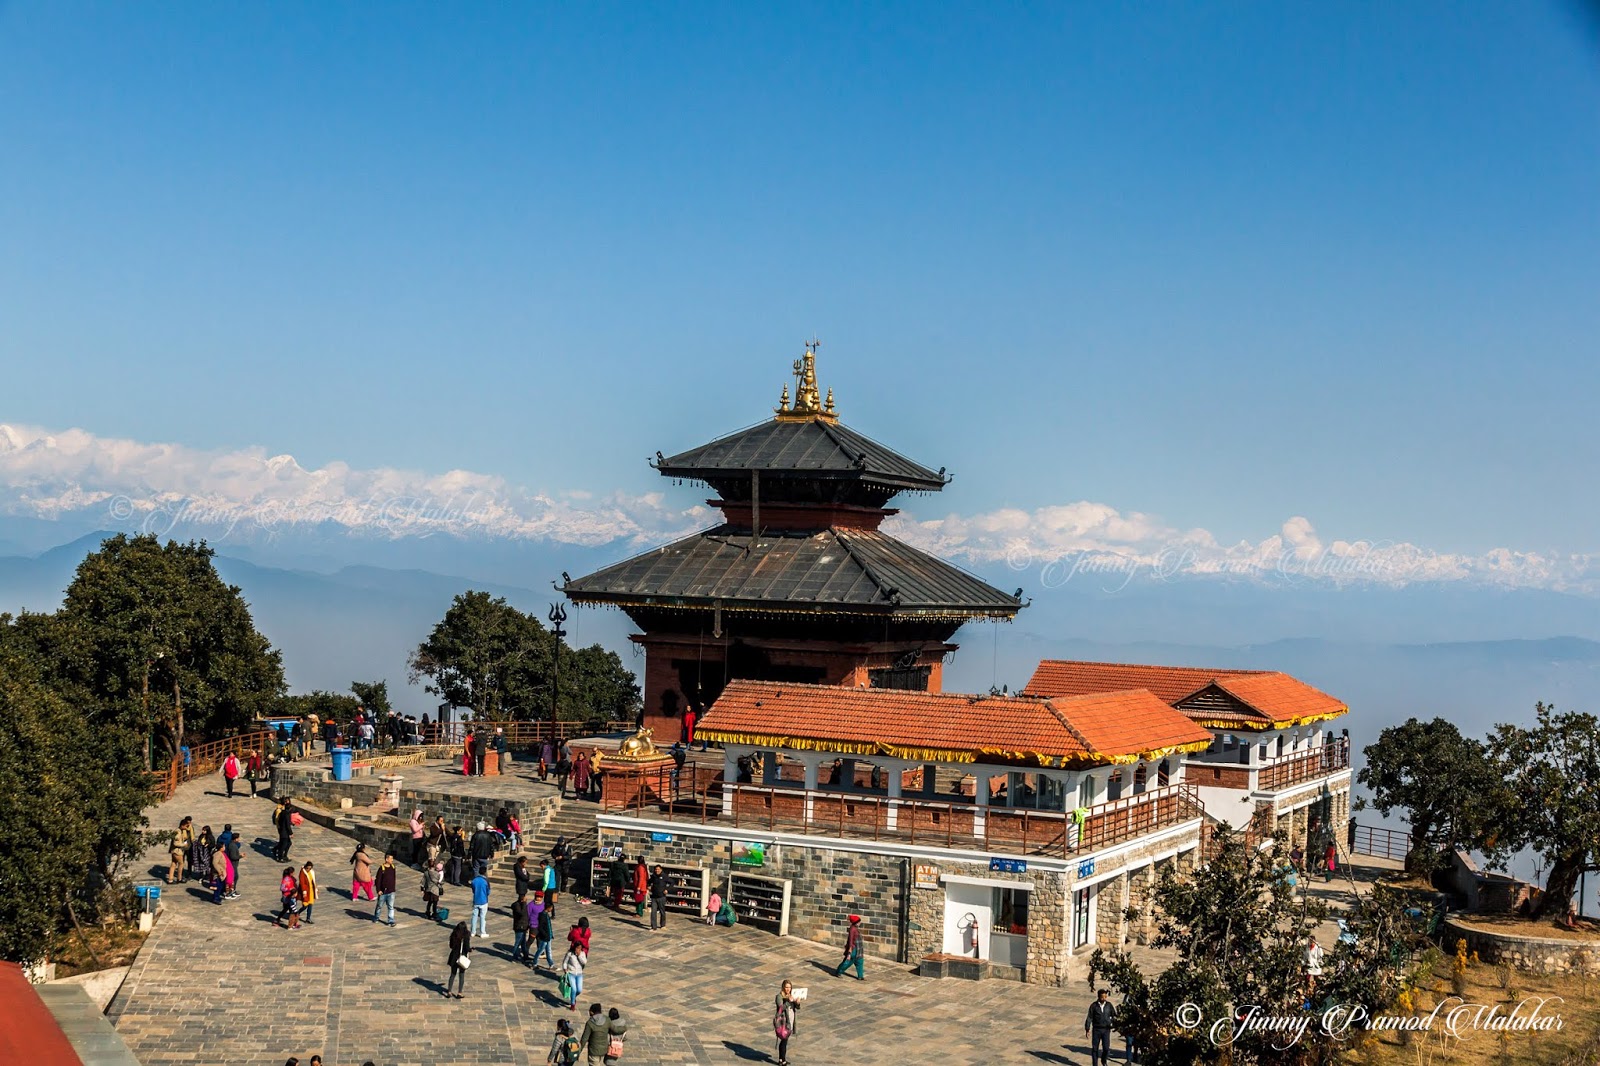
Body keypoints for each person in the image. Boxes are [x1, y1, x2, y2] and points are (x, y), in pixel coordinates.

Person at [1085, 988, 1117, 1066]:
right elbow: (1089, 1017)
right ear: (1099, 997)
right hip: (1097, 1029)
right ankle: (1095, 1064)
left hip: (1106, 1029)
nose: (1104, 998)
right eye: (1102, 997)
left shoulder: (1109, 1005)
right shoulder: (1094, 1006)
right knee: (1095, 1048)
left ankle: (1103, 1060)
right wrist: (1087, 1029)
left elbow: (1114, 1015)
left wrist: (1115, 1023)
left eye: (1105, 997)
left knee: (1106, 1048)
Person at [772, 981, 799, 1066]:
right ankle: (782, 1060)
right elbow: (781, 1007)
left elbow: (797, 1007)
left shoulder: (791, 996)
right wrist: (788, 1002)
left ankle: (782, 1059)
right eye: (786, 987)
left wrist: (797, 1002)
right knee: (784, 1040)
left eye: (790, 987)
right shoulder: (779, 996)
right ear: (783, 987)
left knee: (785, 1041)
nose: (788, 989)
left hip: (791, 1021)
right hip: (783, 1022)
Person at [445, 919, 471, 999]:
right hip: (462, 957)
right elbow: (466, 948)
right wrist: (470, 949)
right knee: (461, 975)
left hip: (454, 956)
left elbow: (451, 946)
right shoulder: (466, 936)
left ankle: (449, 991)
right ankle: (459, 992)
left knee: (452, 974)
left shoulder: (454, 935)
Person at [834, 914, 864, 979]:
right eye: (859, 922)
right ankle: (838, 972)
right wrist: (849, 952)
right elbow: (850, 941)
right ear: (856, 922)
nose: (860, 923)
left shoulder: (855, 928)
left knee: (860, 961)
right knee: (847, 962)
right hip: (854, 949)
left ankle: (860, 976)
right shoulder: (852, 929)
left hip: (859, 949)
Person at [532, 891, 555, 970]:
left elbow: (549, 926)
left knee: (548, 951)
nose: (551, 909)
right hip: (544, 937)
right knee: (540, 950)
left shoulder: (546, 915)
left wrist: (551, 934)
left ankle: (551, 964)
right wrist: (545, 935)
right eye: (551, 908)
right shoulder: (542, 915)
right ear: (548, 908)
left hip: (548, 936)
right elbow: (541, 927)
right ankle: (534, 963)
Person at [375, 852, 398, 926]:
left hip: (391, 891)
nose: (392, 860)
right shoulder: (382, 868)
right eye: (391, 858)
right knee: (379, 906)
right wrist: (378, 890)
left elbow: (394, 878)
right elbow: (378, 880)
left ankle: (391, 920)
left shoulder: (393, 867)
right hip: (383, 892)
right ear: (386, 859)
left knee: (391, 907)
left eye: (392, 858)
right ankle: (376, 917)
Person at [561, 945, 587, 1010]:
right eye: (577, 948)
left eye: (580, 948)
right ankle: (572, 1004)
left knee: (579, 990)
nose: (578, 949)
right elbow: (565, 962)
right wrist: (565, 969)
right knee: (574, 989)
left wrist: (579, 956)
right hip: (571, 973)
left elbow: (584, 962)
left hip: (579, 974)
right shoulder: (570, 954)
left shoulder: (582, 954)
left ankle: (573, 997)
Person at [168, 817, 193, 884]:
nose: (186, 827)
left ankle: (170, 879)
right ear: (182, 825)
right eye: (186, 826)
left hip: (174, 851)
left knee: (173, 864)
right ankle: (179, 878)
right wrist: (183, 845)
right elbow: (175, 843)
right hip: (177, 851)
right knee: (181, 864)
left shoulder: (177, 831)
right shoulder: (178, 832)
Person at [513, 889, 533, 963]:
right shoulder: (516, 905)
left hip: (524, 926)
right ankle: (515, 957)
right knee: (518, 942)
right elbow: (521, 914)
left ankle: (525, 956)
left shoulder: (523, 905)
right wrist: (524, 904)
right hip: (519, 927)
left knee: (523, 943)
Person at [471, 870, 491, 938]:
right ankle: (482, 932)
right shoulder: (486, 881)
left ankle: (473, 932)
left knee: (474, 916)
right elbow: (488, 891)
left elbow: (473, 890)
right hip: (483, 900)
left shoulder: (474, 880)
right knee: (482, 917)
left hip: (476, 900)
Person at [648, 865, 668, 930]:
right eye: (656, 869)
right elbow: (648, 882)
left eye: (658, 869)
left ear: (661, 870)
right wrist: (648, 886)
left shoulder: (664, 876)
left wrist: (667, 889)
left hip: (661, 897)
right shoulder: (653, 876)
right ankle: (653, 926)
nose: (657, 871)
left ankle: (663, 925)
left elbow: (672, 882)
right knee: (653, 912)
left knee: (662, 911)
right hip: (654, 897)